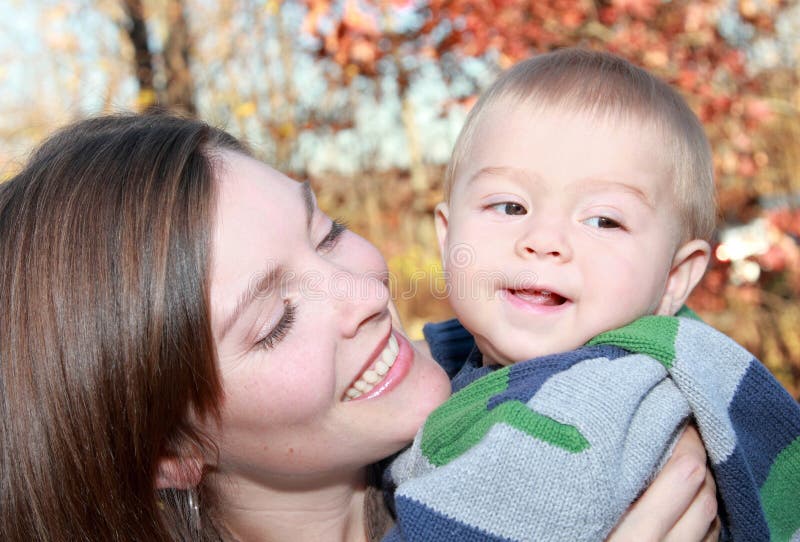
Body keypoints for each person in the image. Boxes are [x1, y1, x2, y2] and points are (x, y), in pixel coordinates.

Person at [0, 113, 720, 542]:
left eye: (327, 232)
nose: (363, 294)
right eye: (276, 321)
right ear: (171, 451)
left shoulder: (541, 409)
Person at [386, 49, 800, 541]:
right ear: (448, 239)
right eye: (510, 205)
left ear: (674, 278)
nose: (544, 239)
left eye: (604, 220)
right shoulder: (498, 358)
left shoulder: (582, 411)